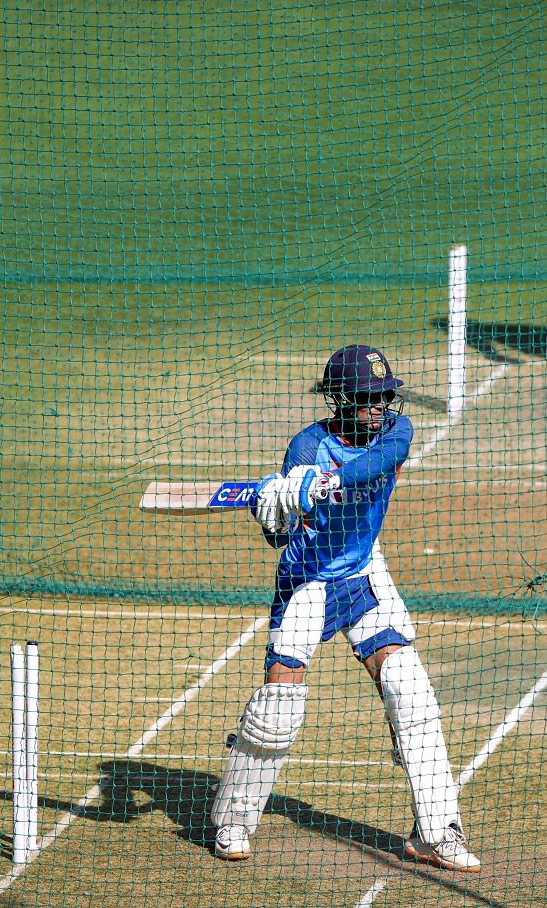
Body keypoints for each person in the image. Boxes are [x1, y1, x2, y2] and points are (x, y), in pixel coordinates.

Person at [208, 344, 481, 873]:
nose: (379, 406)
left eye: (384, 396)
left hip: (362, 572)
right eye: (366, 398)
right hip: (308, 578)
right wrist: (278, 506)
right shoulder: (305, 446)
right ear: (339, 400)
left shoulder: (396, 434)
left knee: (409, 685)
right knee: (278, 706)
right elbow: (279, 536)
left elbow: (376, 464)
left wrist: (327, 481)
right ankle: (234, 819)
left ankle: (436, 831)